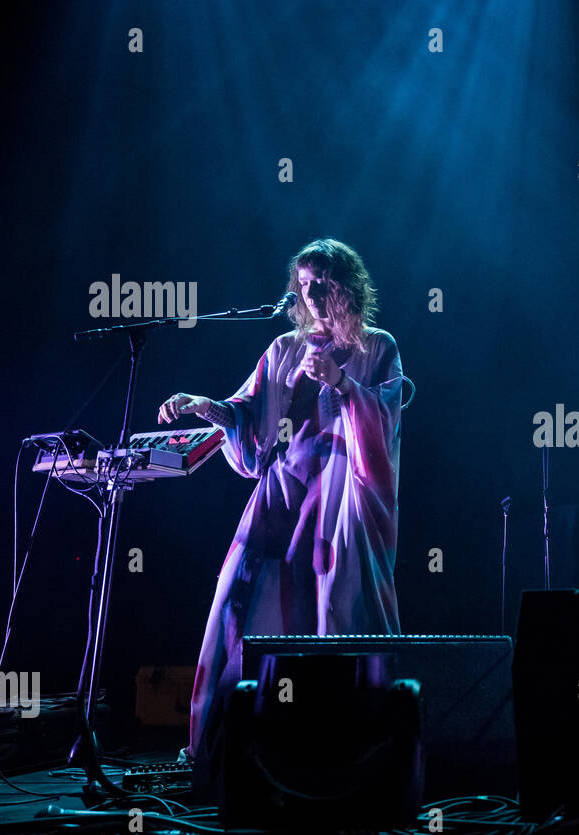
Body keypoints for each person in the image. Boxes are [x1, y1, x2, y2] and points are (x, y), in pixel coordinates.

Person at [157, 238, 404, 768]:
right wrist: (210, 407)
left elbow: (384, 416)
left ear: (346, 286)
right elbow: (247, 412)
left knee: (332, 608)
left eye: (322, 283)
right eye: (304, 283)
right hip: (282, 491)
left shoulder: (376, 347)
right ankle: (232, 748)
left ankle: (343, 752)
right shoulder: (283, 349)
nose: (311, 294)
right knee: (239, 605)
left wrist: (341, 382)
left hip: (337, 497)